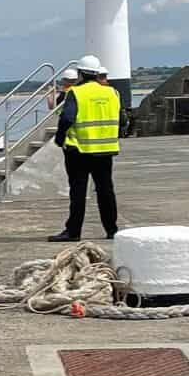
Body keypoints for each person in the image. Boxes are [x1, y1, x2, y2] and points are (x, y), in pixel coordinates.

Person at [49, 54, 120, 242]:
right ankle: (112, 229)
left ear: (80, 74)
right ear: (97, 73)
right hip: (105, 150)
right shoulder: (112, 92)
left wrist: (59, 138)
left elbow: (67, 118)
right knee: (106, 190)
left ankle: (73, 232)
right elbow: (122, 119)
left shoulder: (77, 93)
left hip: (79, 151)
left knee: (78, 192)